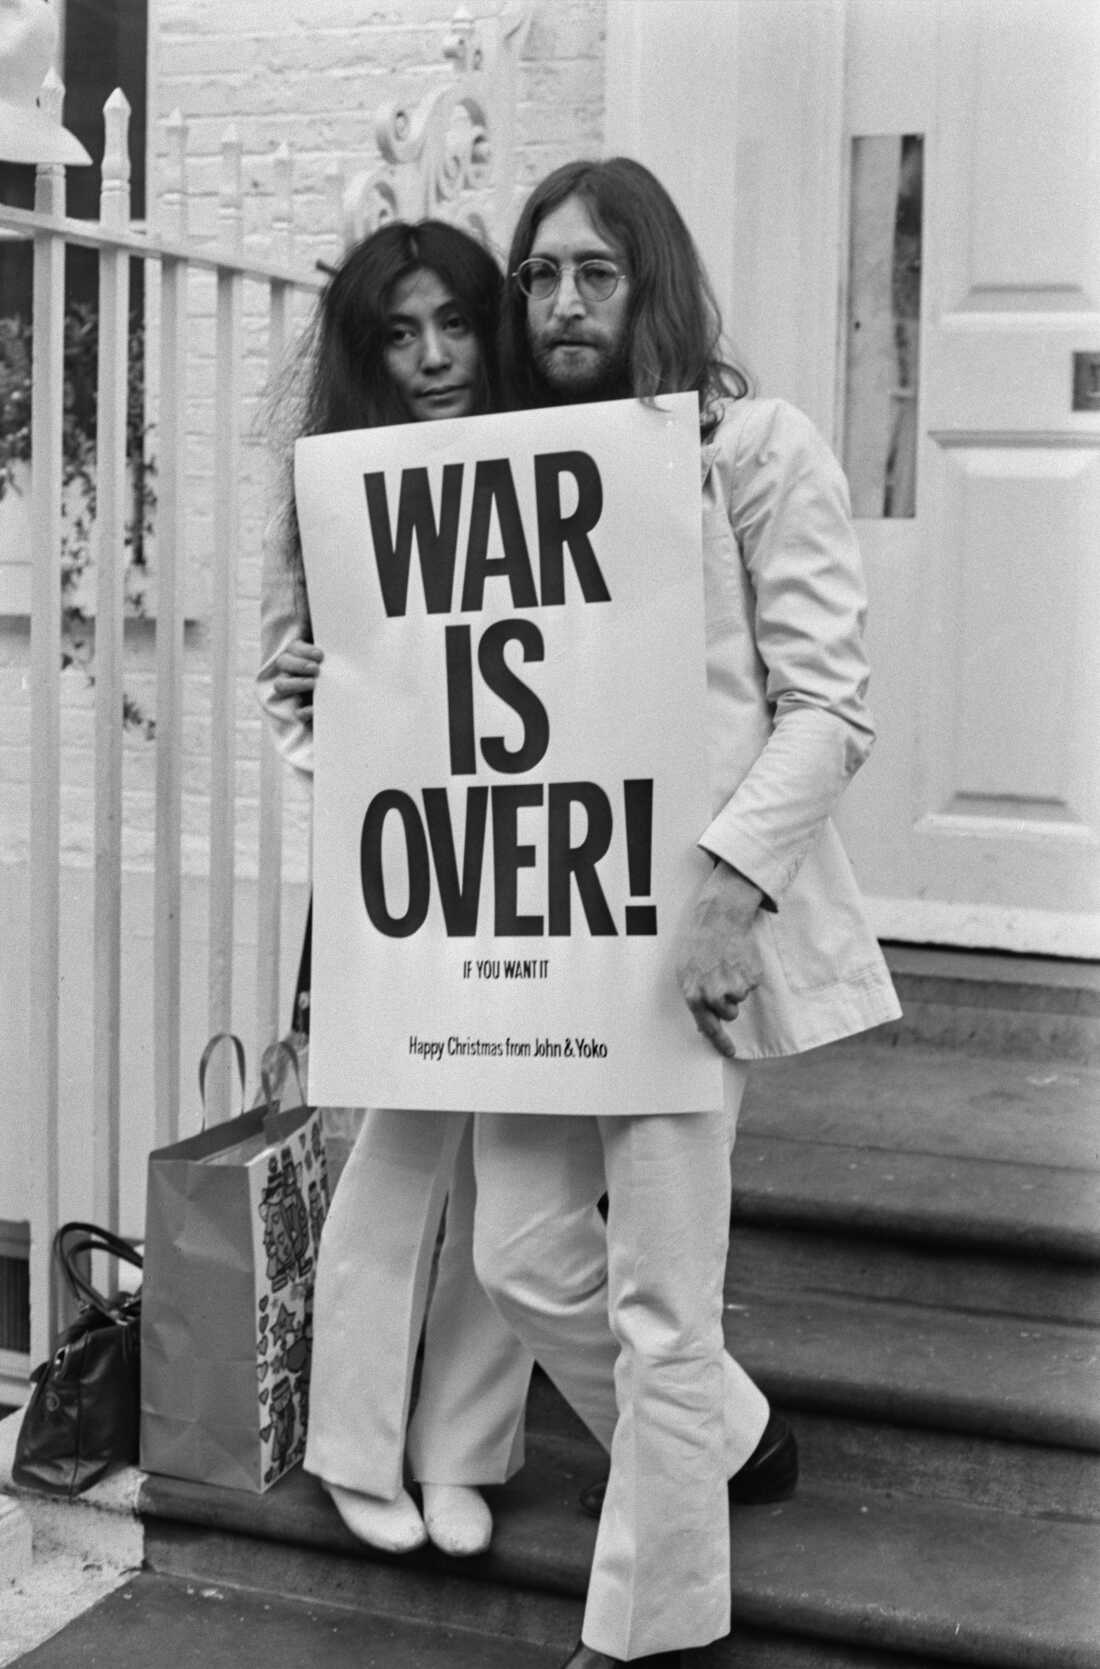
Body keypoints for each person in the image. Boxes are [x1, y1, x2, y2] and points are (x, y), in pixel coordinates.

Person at [468, 158, 902, 1668]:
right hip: (540, 925)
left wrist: (730, 892)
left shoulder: (758, 445)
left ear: (654, 282)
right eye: (541, 276)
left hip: (680, 930)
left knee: (664, 1292)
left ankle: (644, 1633)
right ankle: (735, 1438)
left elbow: (831, 706)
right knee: (518, 1245)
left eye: (599, 271)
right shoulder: (515, 469)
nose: (566, 301)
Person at [257, 220, 535, 1559]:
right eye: (400, 333)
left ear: (494, 326)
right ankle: (352, 1440)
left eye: (456, 324)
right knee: (398, 1150)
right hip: (414, 869)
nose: (433, 358)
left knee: (520, 1159)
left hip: (540, 856)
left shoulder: (552, 463)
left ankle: (464, 1452)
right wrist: (321, 709)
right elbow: (286, 693)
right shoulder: (334, 495)